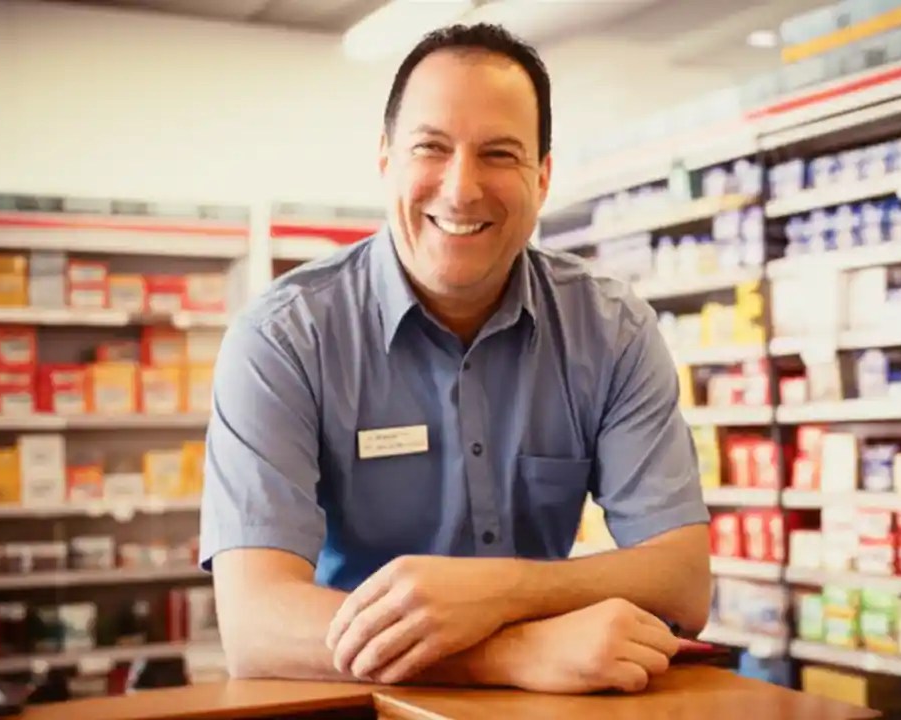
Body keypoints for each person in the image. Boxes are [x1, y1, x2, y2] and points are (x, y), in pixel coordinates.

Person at [200, 22, 710, 695]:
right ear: (386, 161)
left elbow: (682, 581)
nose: (461, 188)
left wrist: (496, 591)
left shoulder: (610, 329)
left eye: (499, 153)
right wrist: (508, 654)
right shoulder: (283, 339)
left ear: (543, 176)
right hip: (351, 704)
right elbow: (257, 625)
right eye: (430, 149)